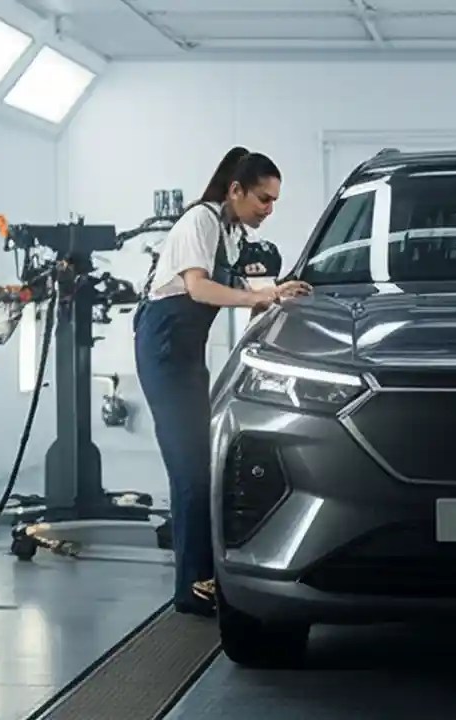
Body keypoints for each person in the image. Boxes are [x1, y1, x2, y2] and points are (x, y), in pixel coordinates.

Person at [133, 147, 312, 616]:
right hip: (164, 346)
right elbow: (198, 288)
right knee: (190, 471)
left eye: (274, 202)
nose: (269, 210)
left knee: (205, 466)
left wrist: (279, 293)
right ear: (235, 190)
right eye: (263, 199)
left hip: (187, 352)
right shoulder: (201, 220)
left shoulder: (231, 233)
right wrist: (261, 297)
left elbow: (243, 290)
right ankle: (191, 587)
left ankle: (208, 576)